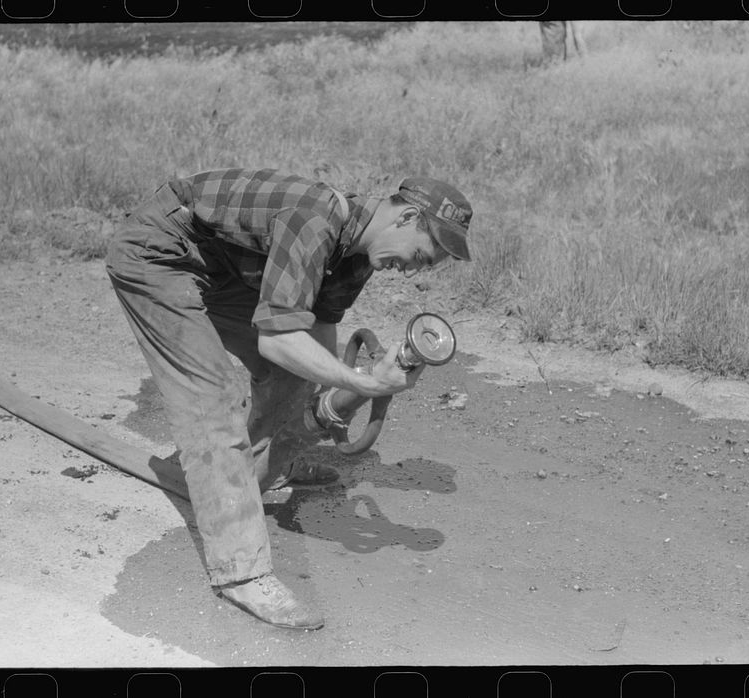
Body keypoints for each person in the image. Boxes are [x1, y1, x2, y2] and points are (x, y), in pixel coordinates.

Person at [105, 168, 473, 630]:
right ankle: (242, 572)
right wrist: (364, 384)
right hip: (158, 252)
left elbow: (314, 337)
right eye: (419, 255)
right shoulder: (314, 219)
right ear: (407, 218)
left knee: (294, 376)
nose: (412, 270)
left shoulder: (359, 254)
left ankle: (258, 468)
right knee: (212, 398)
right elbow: (278, 340)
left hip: (215, 265)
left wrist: (333, 392)